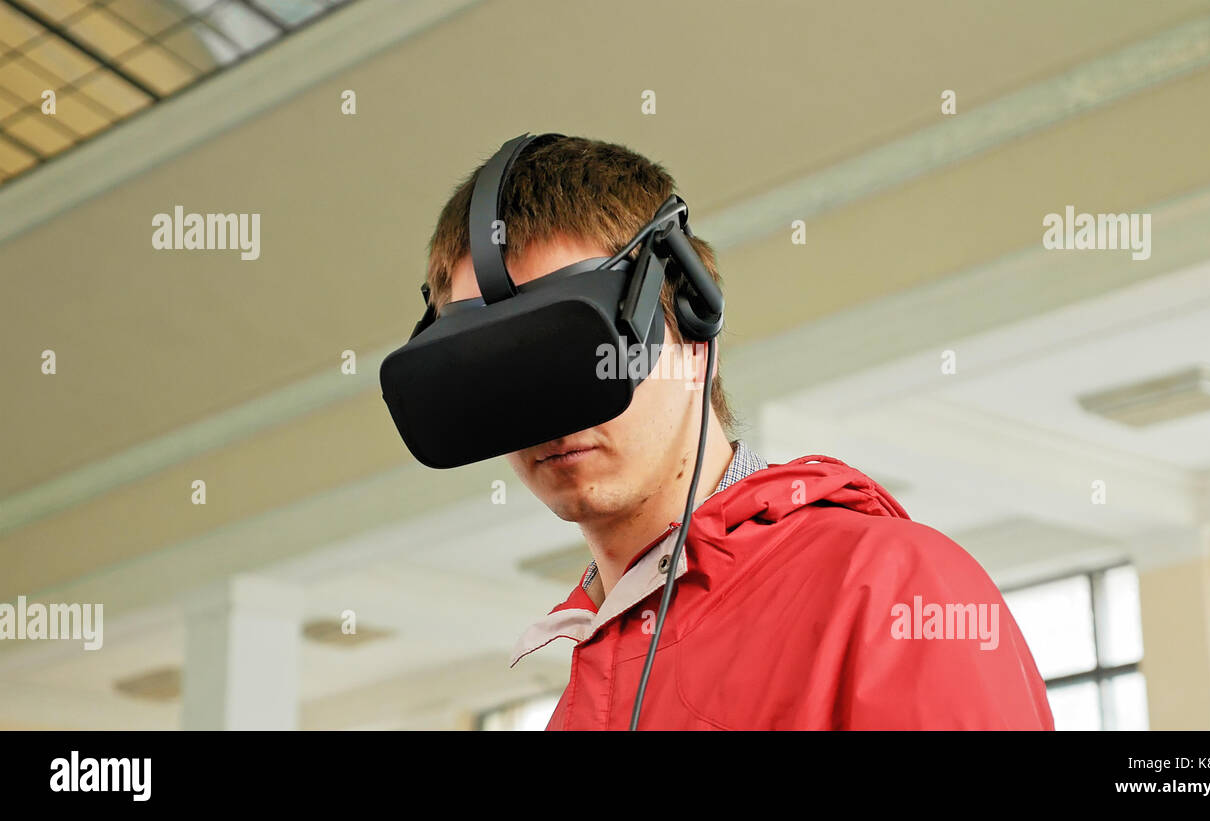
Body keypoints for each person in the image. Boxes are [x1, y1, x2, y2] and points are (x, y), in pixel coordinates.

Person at [422, 134, 1054, 730]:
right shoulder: (584, 697)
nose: (548, 412)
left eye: (577, 348)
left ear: (695, 331)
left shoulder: (891, 591)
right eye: (502, 369)